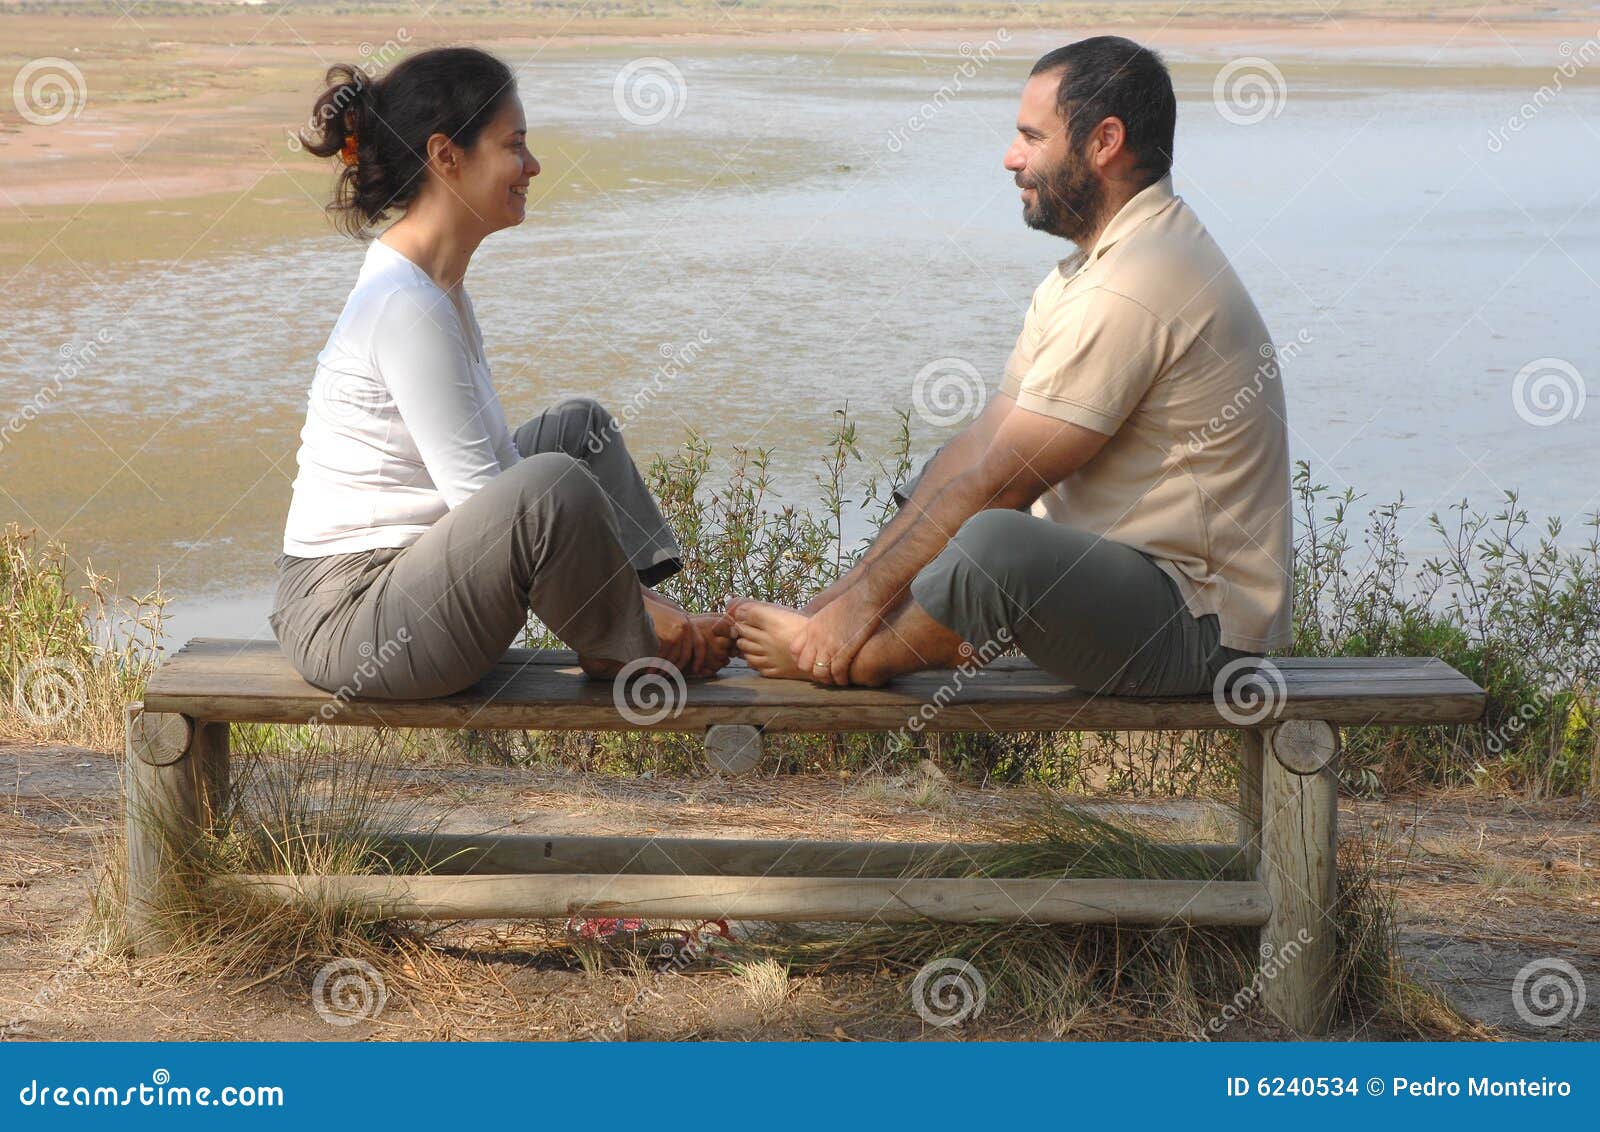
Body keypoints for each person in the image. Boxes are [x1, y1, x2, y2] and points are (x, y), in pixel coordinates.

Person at [732, 36, 1291, 697]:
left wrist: (846, 630)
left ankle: (861, 661)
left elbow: (1005, 483)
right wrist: (832, 606)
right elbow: (981, 450)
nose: (1011, 158)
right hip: (1131, 597)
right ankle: (842, 637)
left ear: (1105, 141)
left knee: (995, 539)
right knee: (948, 471)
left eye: (1032, 137)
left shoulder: (1139, 281)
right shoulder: (1095, 271)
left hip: (1201, 635)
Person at [270, 47, 732, 700]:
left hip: (408, 580)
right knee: (550, 484)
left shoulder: (440, 290)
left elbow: (495, 469)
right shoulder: (404, 307)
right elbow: (484, 494)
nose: (533, 166)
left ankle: (628, 633)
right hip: (352, 616)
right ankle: (644, 636)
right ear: (446, 156)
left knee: (577, 432)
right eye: (514, 145)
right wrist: (651, 617)